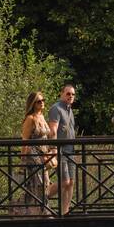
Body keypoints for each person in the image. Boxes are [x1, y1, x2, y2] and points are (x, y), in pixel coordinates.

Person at [21, 90, 53, 216]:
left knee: (45, 183)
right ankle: (44, 212)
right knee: (39, 183)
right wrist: (22, 160)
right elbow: (24, 140)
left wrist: (50, 150)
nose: (42, 103)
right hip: (33, 154)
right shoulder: (30, 119)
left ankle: (38, 211)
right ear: (33, 104)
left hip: (43, 154)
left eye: (43, 100)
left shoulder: (42, 116)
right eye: (39, 101)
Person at [47, 82, 77, 214]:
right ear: (62, 94)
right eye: (68, 93)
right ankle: (40, 197)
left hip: (71, 150)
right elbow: (52, 130)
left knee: (71, 182)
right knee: (64, 181)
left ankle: (65, 212)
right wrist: (53, 149)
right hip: (61, 150)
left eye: (73, 94)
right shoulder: (56, 108)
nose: (70, 96)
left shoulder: (69, 109)